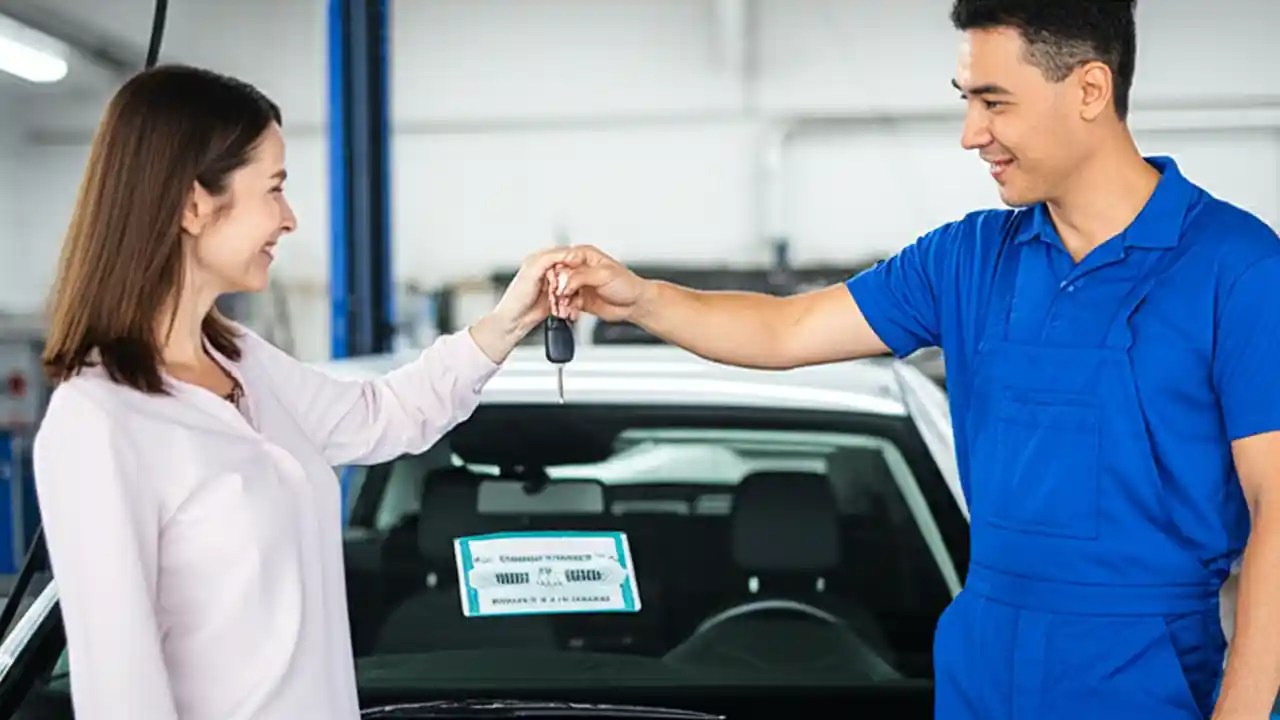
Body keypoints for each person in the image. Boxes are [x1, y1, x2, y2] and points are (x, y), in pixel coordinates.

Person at [552, 2, 1280, 718]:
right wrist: (640, 299)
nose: (972, 135)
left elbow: (1277, 509)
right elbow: (786, 328)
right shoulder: (964, 261)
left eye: (995, 103)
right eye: (968, 102)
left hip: (1148, 683)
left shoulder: (1236, 270)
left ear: (1091, 89)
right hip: (982, 673)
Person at [33, 65, 571, 720]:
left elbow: (384, 416)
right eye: (275, 188)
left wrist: (508, 319)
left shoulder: (242, 362)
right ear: (192, 203)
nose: (288, 219)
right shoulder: (99, 419)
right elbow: (121, 691)